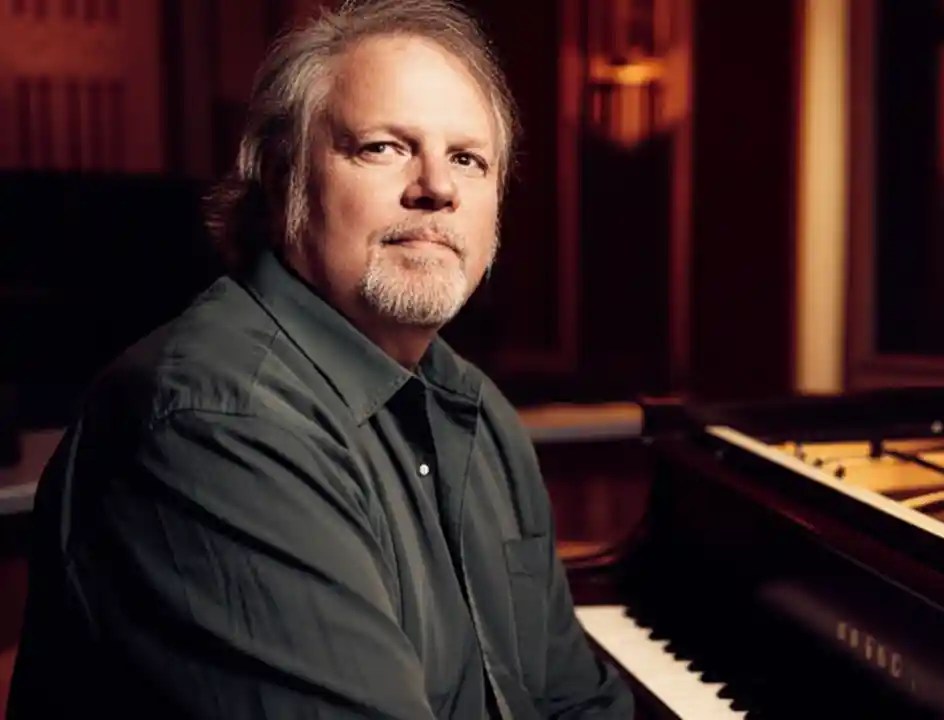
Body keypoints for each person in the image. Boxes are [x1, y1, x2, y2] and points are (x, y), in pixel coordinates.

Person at [6, 1, 634, 718]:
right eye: (382, 147)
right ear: (282, 181)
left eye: (469, 158)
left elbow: (571, 700)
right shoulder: (214, 422)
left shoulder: (478, 407)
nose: (438, 187)